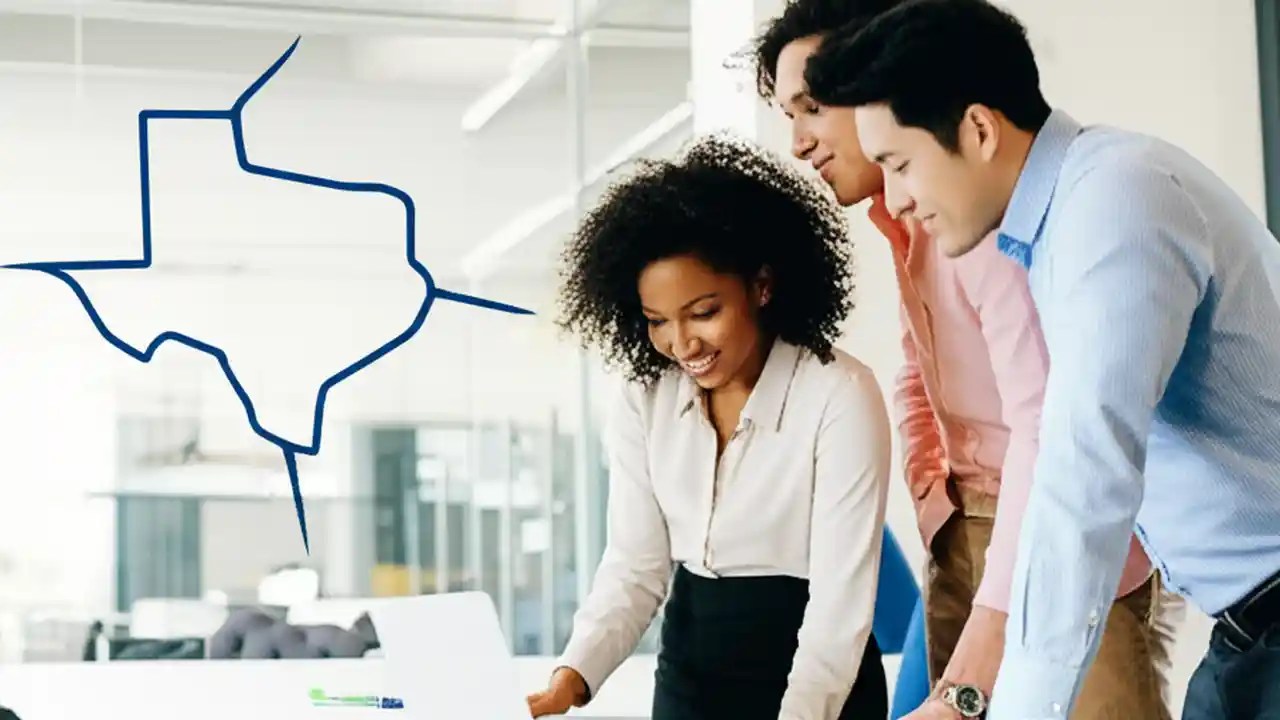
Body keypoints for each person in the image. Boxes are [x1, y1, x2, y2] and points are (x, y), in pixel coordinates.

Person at [803, 0, 1280, 718]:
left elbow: (1085, 472)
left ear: (980, 129)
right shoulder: (1064, 218)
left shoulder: (1116, 203)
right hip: (1250, 626)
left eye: (900, 165)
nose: (896, 199)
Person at [750, 2, 1174, 718]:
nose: (798, 142)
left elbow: (1048, 431)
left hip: (1047, 531)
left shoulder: (978, 214)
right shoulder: (903, 216)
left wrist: (972, 668)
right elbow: (918, 369)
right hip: (966, 524)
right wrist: (935, 499)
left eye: (813, 107)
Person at [526, 134, 891, 720]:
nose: (682, 343)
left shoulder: (838, 394)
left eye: (704, 312)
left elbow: (838, 607)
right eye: (657, 322)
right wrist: (573, 674)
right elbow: (635, 566)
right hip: (690, 674)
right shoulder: (644, 400)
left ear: (762, 286)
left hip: (817, 680)